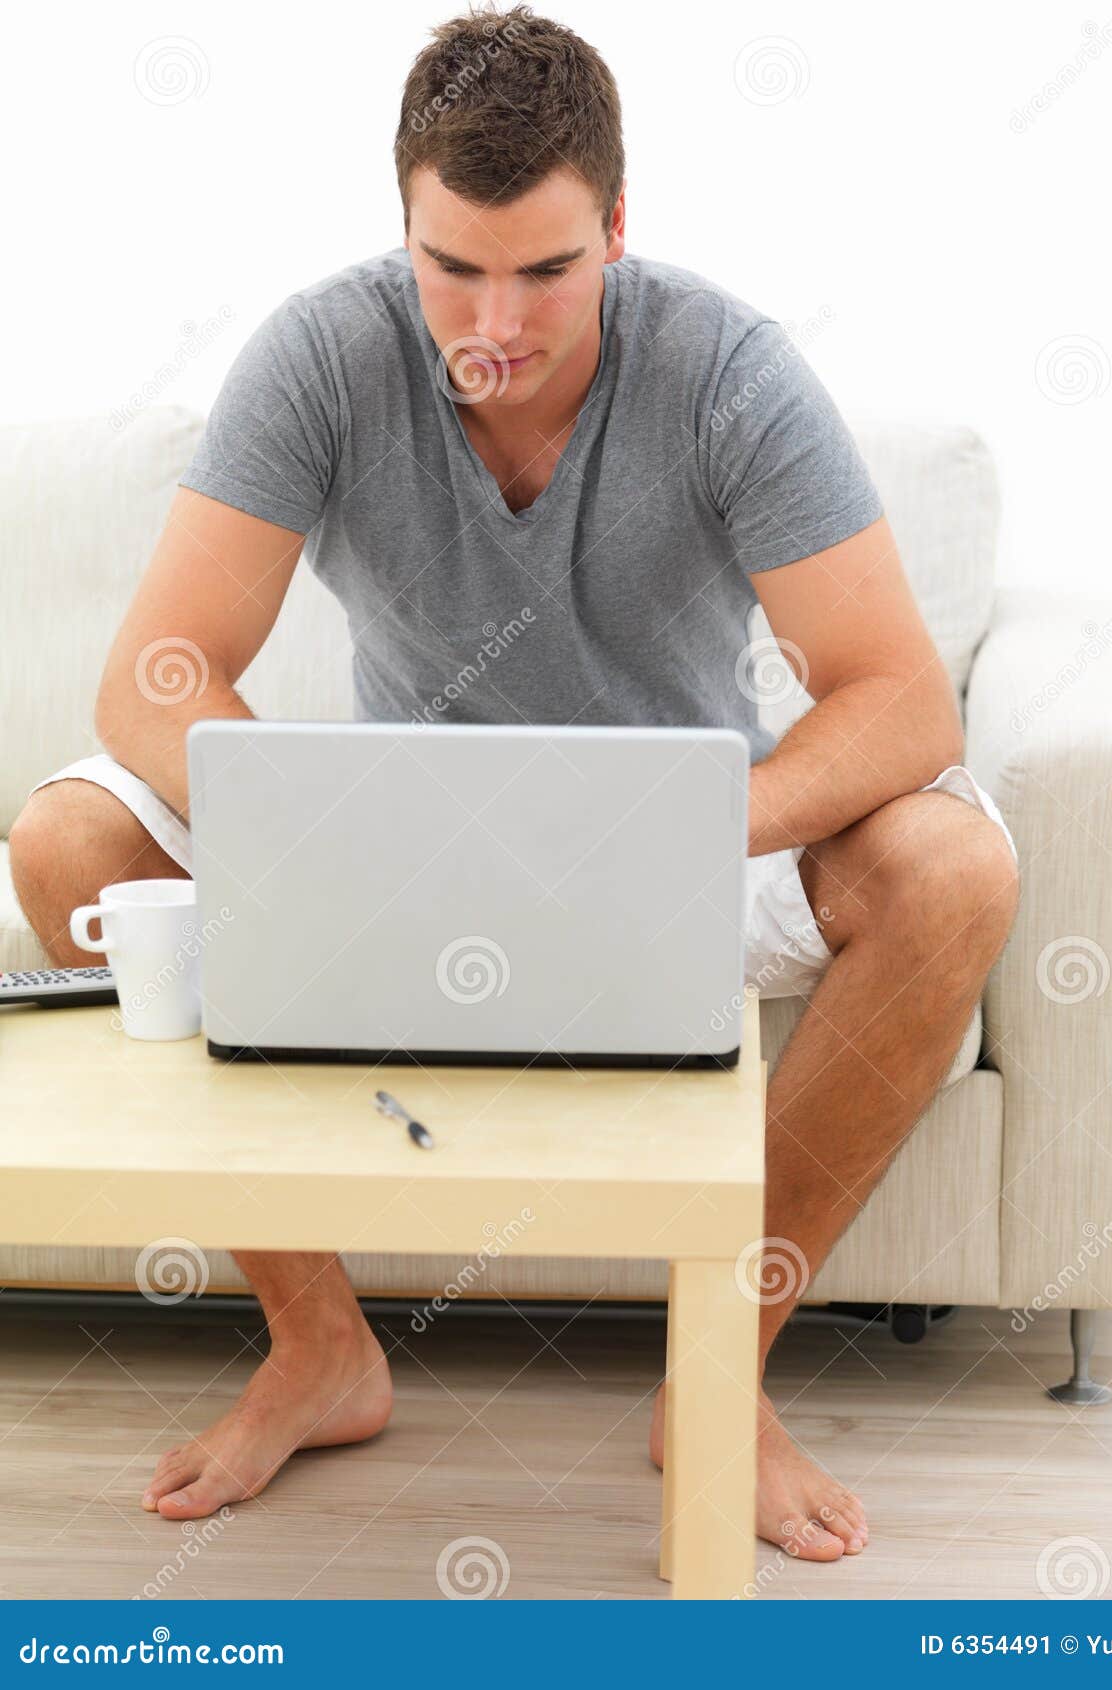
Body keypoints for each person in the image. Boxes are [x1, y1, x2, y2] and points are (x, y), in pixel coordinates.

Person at [8, 3, 1019, 1563]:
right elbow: (154, 673)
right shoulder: (324, 351)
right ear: (401, 229)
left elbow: (891, 699)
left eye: (547, 270)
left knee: (956, 869)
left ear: (617, 227)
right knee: (68, 835)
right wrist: (317, 817)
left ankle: (715, 1367)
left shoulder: (727, 369)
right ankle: (320, 1347)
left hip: (686, 844)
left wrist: (697, 820)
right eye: (451, 266)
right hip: (406, 851)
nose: (498, 317)